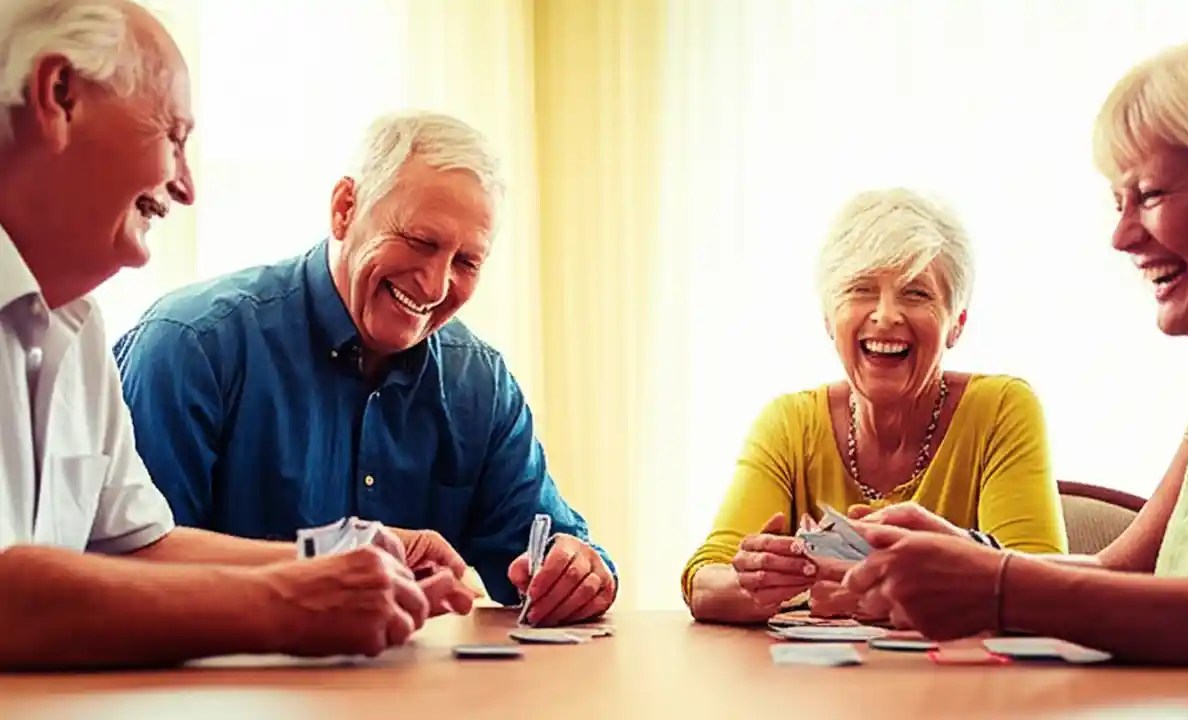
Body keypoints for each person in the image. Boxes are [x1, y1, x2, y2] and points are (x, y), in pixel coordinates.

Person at [0, 0, 478, 671]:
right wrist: (285, 602)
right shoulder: (184, 337)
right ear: (60, 97)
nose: (187, 185)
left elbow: (138, 546)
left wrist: (347, 562)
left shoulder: (74, 327)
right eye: (173, 135)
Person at [826, 30, 1188, 709]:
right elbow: (1116, 574)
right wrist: (972, 564)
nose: (1122, 236)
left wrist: (1000, 584)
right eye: (1117, 202)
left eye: (1150, 194)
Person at [113, 111, 617, 628]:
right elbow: (133, 570)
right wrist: (330, 560)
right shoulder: (189, 346)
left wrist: (578, 572)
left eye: (466, 262)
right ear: (344, 209)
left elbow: (548, 543)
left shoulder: (479, 383)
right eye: (422, 242)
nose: (436, 286)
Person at [682, 188, 1067, 623]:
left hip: (963, 688)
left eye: (916, 293)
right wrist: (770, 582)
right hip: (815, 689)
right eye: (861, 289)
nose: (885, 315)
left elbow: (1045, 589)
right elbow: (705, 584)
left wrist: (868, 585)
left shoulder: (1002, 409)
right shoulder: (788, 423)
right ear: (829, 318)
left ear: (956, 324)